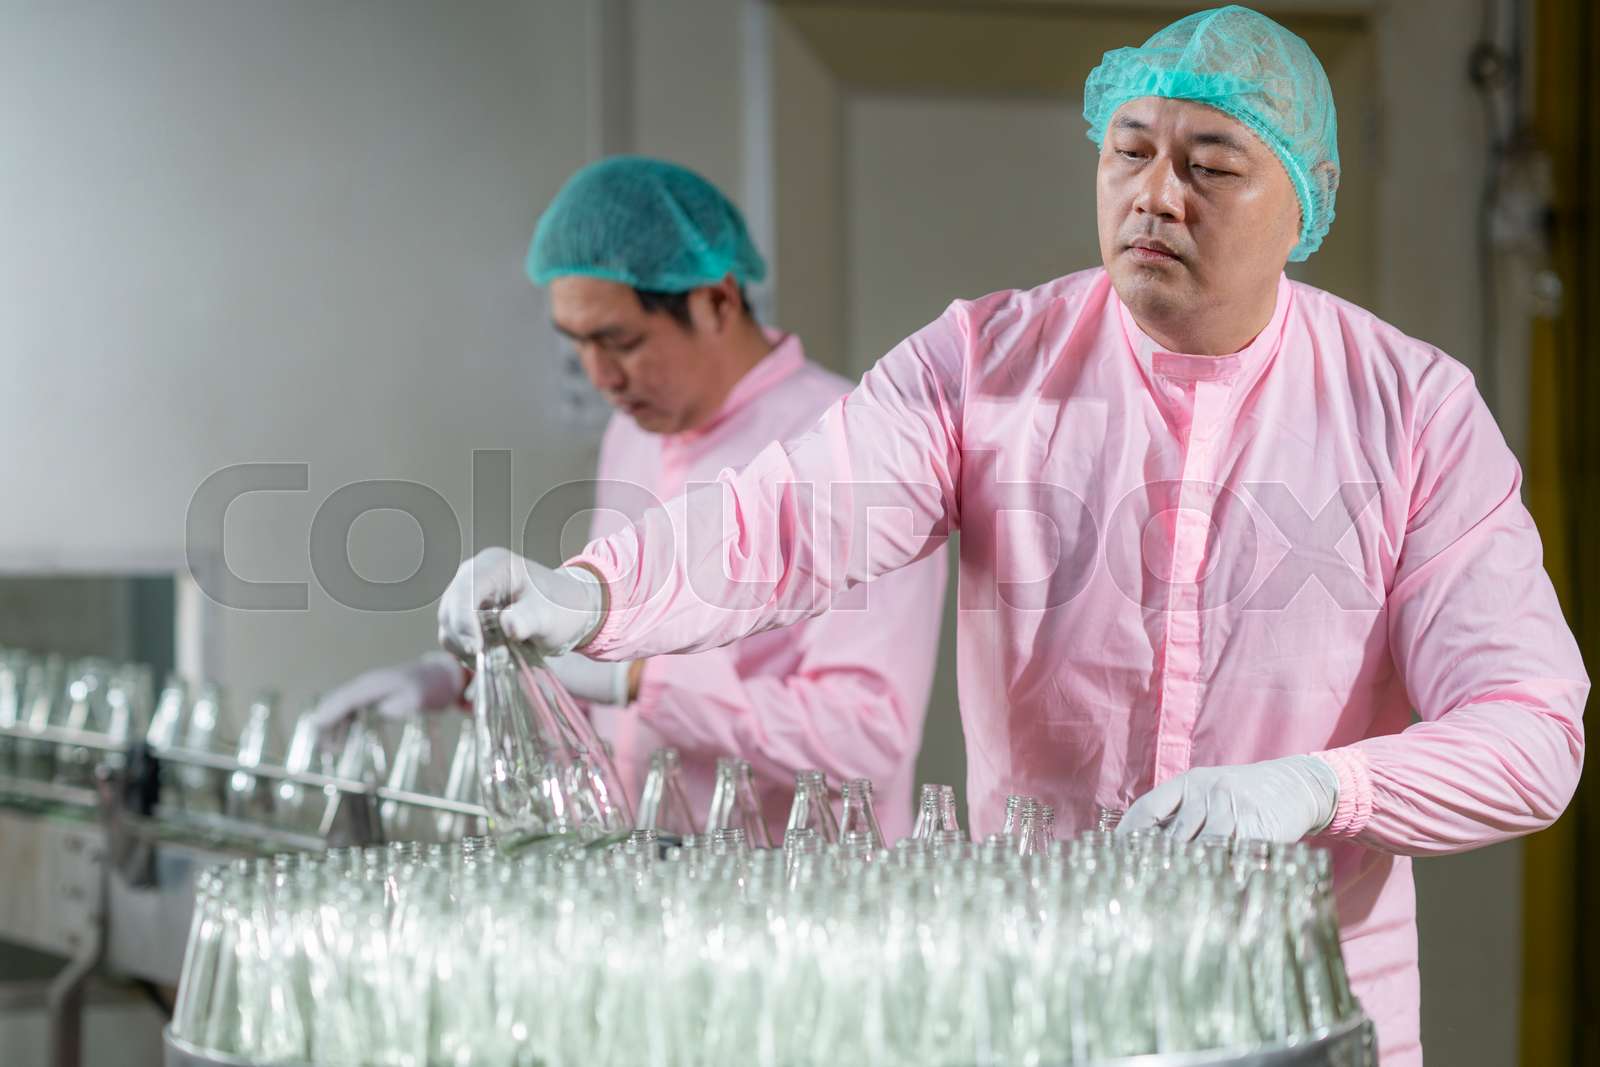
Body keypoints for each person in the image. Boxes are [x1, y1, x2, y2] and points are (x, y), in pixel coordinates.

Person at [436, 8, 1589, 1062]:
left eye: (1212, 165)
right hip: (1046, 987)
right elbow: (795, 509)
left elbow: (1532, 734)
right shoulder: (985, 361)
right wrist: (593, 591)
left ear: (1307, 198)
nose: (1155, 195)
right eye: (1128, 150)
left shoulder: (1412, 409)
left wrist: (1312, 787)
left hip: (1311, 992)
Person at [315, 156, 947, 841]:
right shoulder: (634, 434)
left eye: (621, 340)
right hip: (644, 870)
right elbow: (594, 669)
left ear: (717, 301)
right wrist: (476, 678)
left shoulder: (851, 443)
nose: (601, 376)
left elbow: (868, 736)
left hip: (798, 889)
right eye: (577, 344)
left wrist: (645, 681)